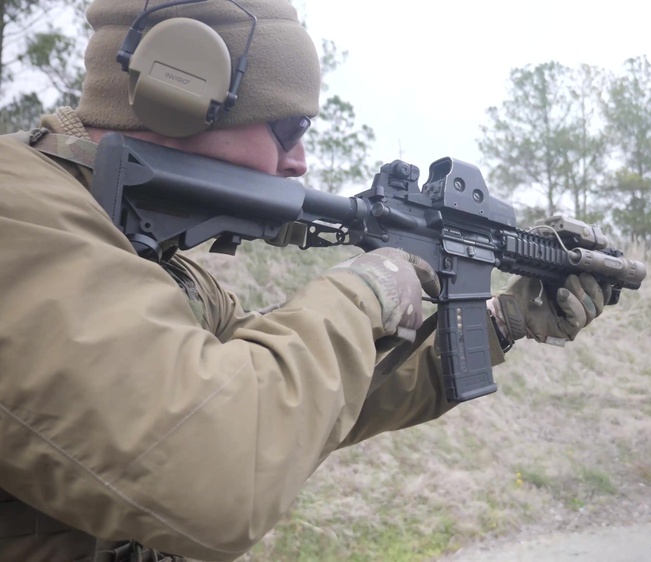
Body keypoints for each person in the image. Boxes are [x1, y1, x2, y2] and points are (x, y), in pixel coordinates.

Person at [0, 1, 613, 561]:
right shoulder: (17, 211)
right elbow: (218, 472)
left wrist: (498, 323)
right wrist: (362, 291)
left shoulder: (155, 265)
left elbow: (291, 402)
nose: (299, 163)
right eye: (288, 130)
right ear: (181, 90)